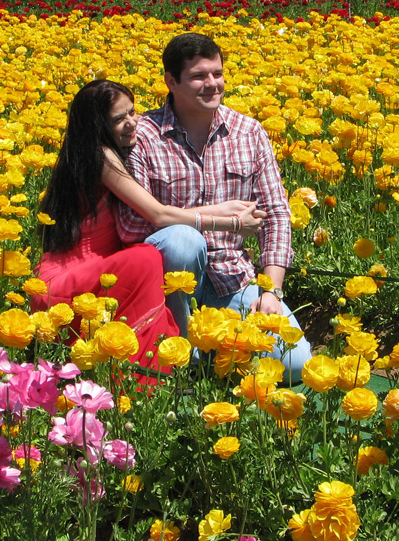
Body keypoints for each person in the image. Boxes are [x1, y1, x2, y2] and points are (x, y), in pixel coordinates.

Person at [33, 79, 263, 380]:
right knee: (146, 258)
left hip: (93, 271)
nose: (132, 123)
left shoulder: (89, 153)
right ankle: (162, 366)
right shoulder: (101, 157)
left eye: (133, 112)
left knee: (144, 255)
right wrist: (230, 222)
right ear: (97, 125)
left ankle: (159, 359)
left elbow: (155, 213)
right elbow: (157, 214)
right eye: (119, 119)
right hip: (68, 284)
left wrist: (220, 208)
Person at [116, 33, 314, 383]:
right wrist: (213, 218)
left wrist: (272, 291)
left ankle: (208, 356)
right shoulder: (143, 135)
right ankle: (182, 347)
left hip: (232, 279)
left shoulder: (248, 132)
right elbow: (132, 225)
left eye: (218, 74)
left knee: (295, 364)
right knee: (183, 241)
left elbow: (277, 215)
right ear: (171, 81)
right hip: (167, 283)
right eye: (199, 76)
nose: (213, 84)